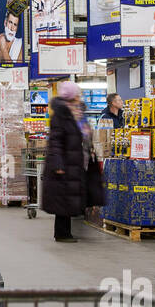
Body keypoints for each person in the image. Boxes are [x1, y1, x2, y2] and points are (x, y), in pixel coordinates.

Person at [43, 81, 91, 242]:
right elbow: (55, 141)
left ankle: (66, 232)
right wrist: (58, 164)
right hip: (63, 164)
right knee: (63, 199)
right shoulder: (61, 115)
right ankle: (62, 233)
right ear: (71, 96)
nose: (79, 97)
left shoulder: (73, 113)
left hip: (72, 162)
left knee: (67, 198)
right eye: (77, 94)